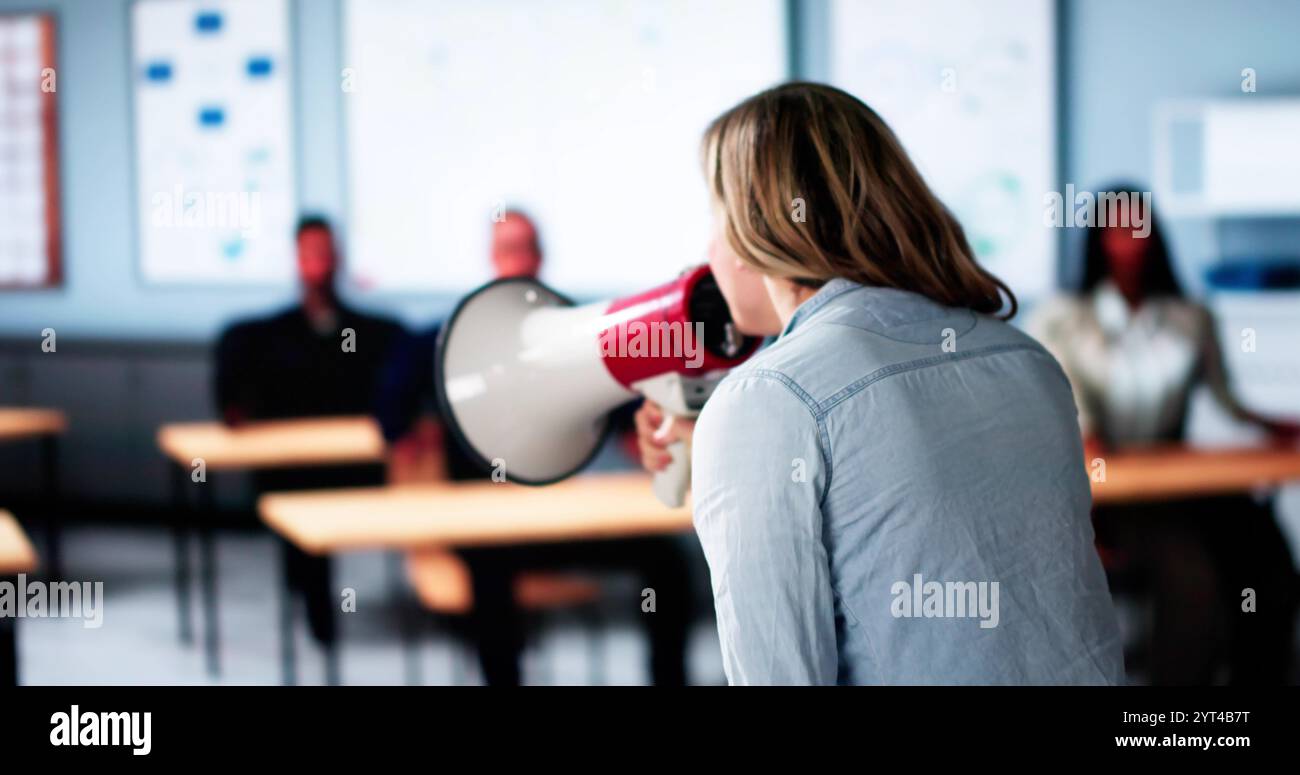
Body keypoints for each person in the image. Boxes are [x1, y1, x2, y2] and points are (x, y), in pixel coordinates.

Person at [637, 82, 1124, 685]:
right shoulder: (1025, 357)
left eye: (714, 217)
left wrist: (736, 430)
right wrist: (722, 444)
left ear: (752, 229)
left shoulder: (768, 400)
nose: (707, 251)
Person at [377, 209, 693, 686]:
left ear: (541, 257)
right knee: (489, 574)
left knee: (665, 562)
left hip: (562, 517)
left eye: (527, 249)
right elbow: (388, 410)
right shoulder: (444, 341)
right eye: (509, 250)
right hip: (487, 525)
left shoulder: (577, 339)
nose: (520, 260)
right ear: (491, 258)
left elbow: (623, 412)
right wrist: (414, 428)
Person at [1029, 184, 1300, 685]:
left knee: (1267, 557)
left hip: (1174, 480)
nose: (1130, 236)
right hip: (1109, 493)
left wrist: (1274, 425)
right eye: (1117, 226)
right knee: (1191, 576)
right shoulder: (1062, 320)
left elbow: (1228, 402)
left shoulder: (1190, 317)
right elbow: (1069, 409)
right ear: (1098, 237)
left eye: (1139, 224)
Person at [215, 215, 403, 670]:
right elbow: (236, 390)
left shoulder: (368, 332)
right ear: (296, 260)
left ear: (337, 258)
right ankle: (315, 604)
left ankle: (319, 602)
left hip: (351, 466)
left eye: (325, 252)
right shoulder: (267, 336)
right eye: (309, 253)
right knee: (300, 514)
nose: (318, 263)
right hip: (294, 469)